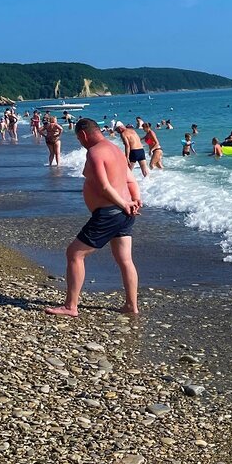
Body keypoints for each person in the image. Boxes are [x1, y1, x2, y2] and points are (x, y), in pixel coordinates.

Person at [46, 118, 142, 317]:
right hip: (124, 213)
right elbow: (130, 180)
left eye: (80, 140)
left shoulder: (95, 152)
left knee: (75, 254)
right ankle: (131, 306)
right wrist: (136, 200)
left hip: (110, 213)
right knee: (125, 259)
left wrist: (124, 204)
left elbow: (104, 186)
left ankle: (70, 306)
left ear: (83, 135)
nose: (81, 143)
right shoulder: (115, 149)